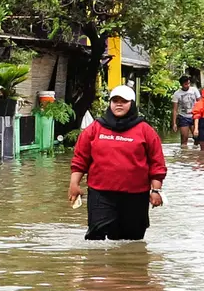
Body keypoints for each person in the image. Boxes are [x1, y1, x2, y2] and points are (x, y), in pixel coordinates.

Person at [69, 85, 167, 241]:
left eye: (124, 101)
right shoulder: (94, 129)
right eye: (115, 101)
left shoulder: (146, 131)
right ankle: (95, 266)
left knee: (131, 241)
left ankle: (125, 265)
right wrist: (74, 184)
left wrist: (156, 191)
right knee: (95, 238)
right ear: (110, 103)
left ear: (132, 104)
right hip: (100, 193)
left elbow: (157, 164)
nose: (119, 104)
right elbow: (80, 159)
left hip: (136, 196)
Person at [171, 76, 200, 147]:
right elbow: (175, 109)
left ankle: (196, 153)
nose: (188, 85)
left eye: (189, 83)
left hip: (194, 116)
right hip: (183, 117)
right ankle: (184, 155)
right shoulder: (177, 94)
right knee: (184, 138)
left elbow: (200, 103)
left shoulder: (194, 90)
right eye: (186, 84)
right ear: (181, 84)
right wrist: (174, 123)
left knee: (197, 138)